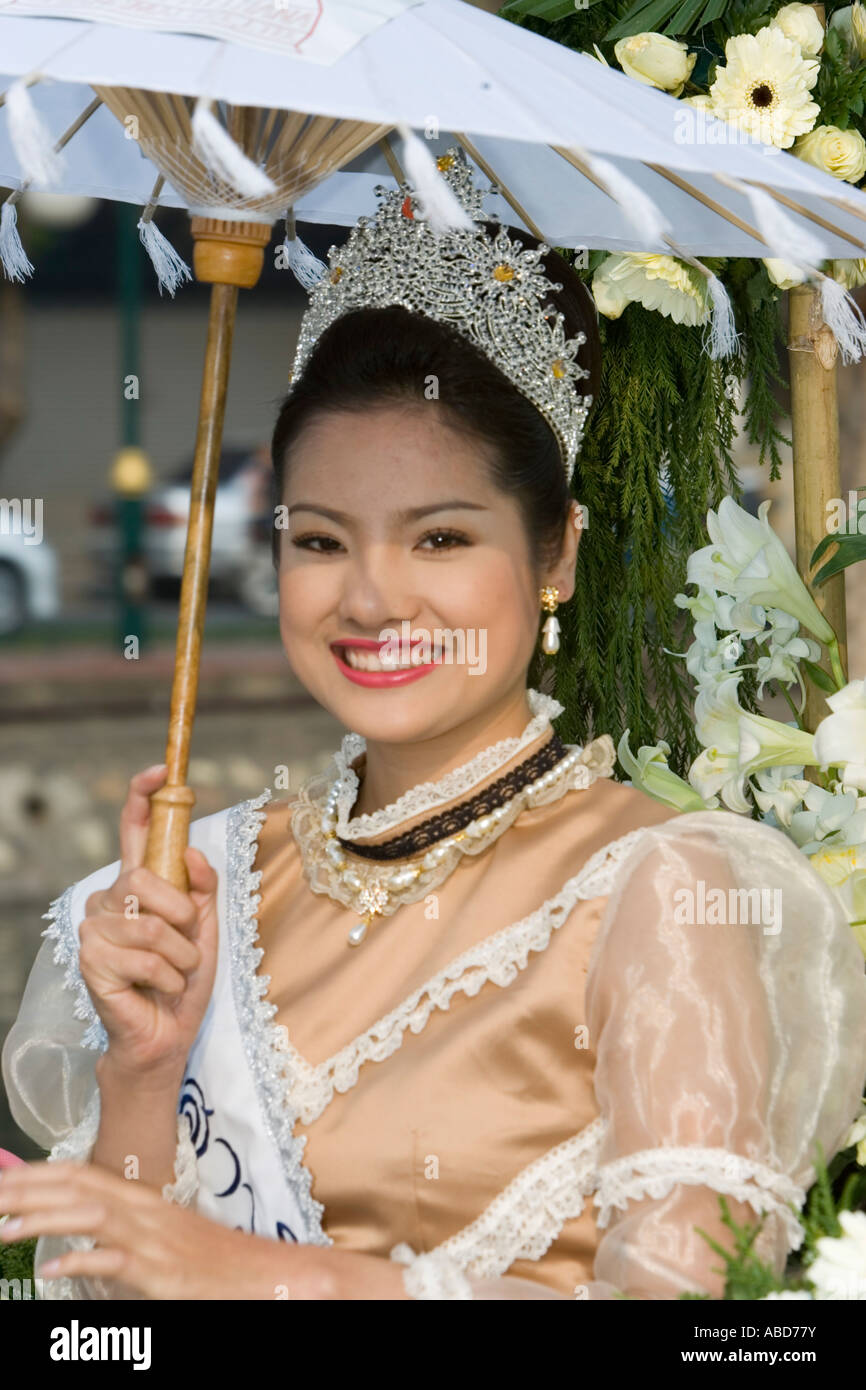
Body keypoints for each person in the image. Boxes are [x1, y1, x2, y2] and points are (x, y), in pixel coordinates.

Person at [2, 151, 865, 1302]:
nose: (369, 599)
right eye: (319, 539)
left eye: (440, 538)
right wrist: (147, 1075)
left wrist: (271, 1279)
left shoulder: (657, 890)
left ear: (553, 549)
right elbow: (85, 1335)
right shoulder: (190, 887)